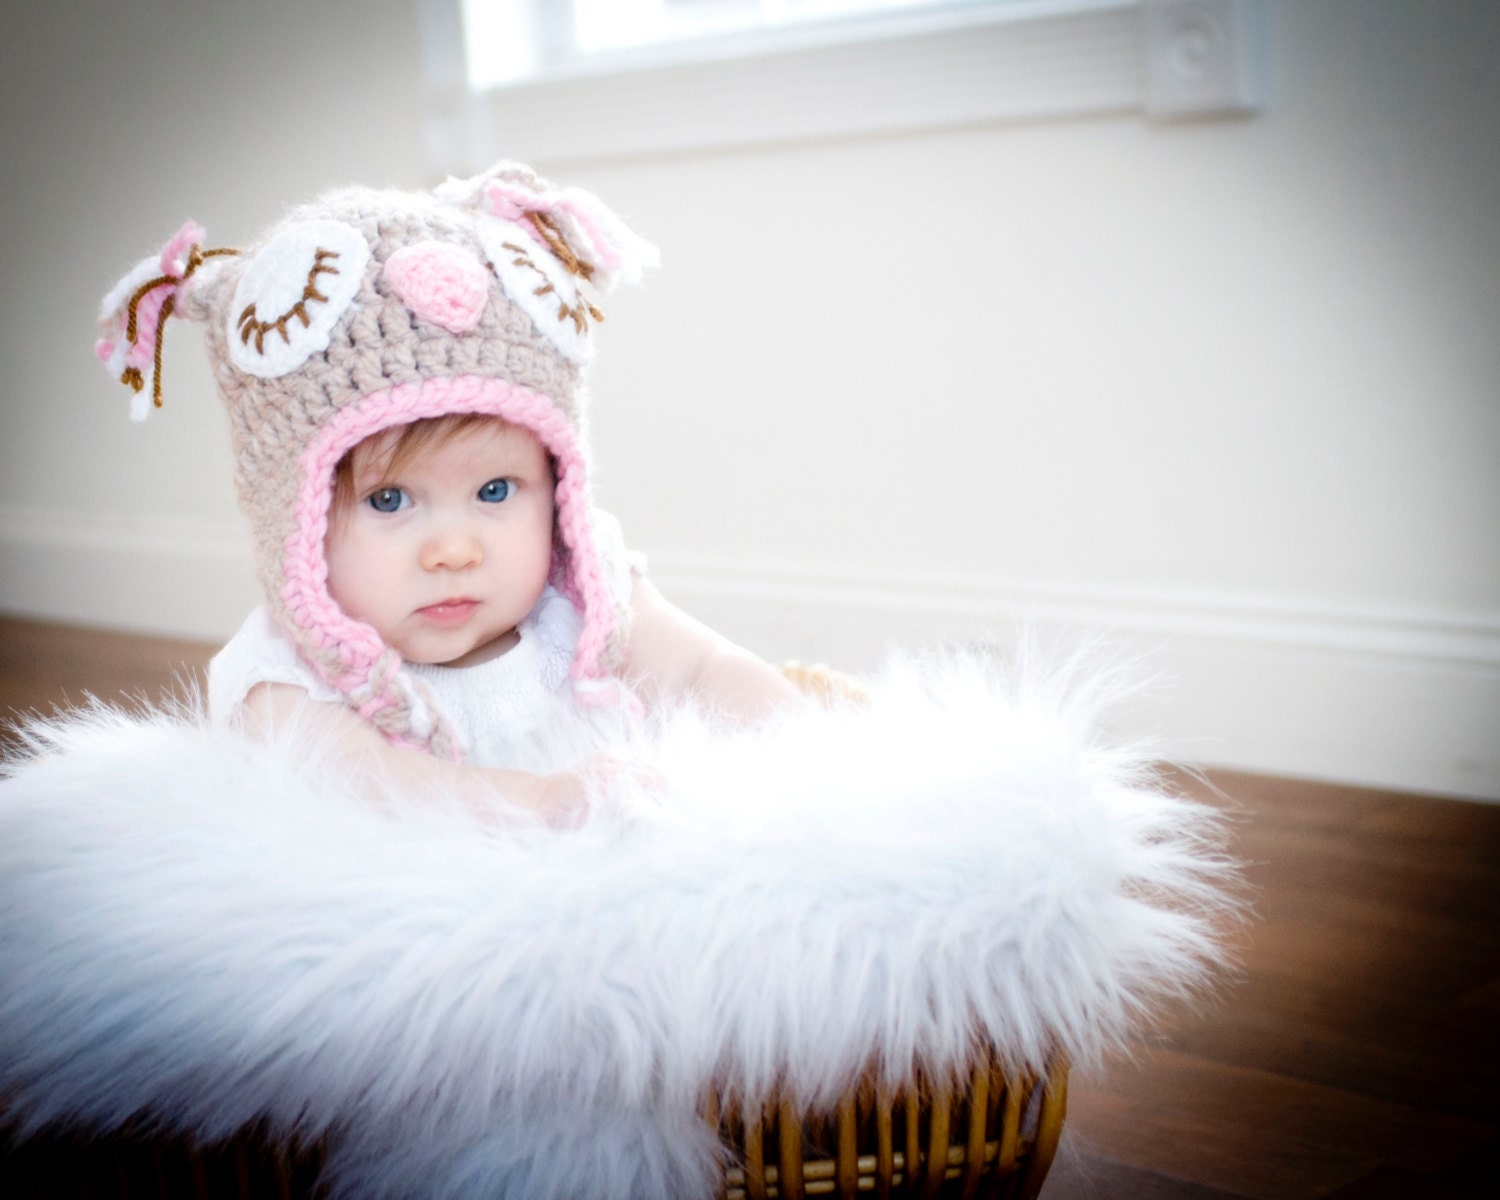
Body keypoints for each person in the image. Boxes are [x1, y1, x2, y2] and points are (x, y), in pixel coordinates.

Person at [95, 161, 800, 826]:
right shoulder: (286, 682)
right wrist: (543, 802)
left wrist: (806, 741)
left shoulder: (580, 601)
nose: (455, 550)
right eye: (390, 500)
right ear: (294, 523)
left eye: (495, 490)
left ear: (558, 486)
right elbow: (380, 786)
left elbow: (702, 667)